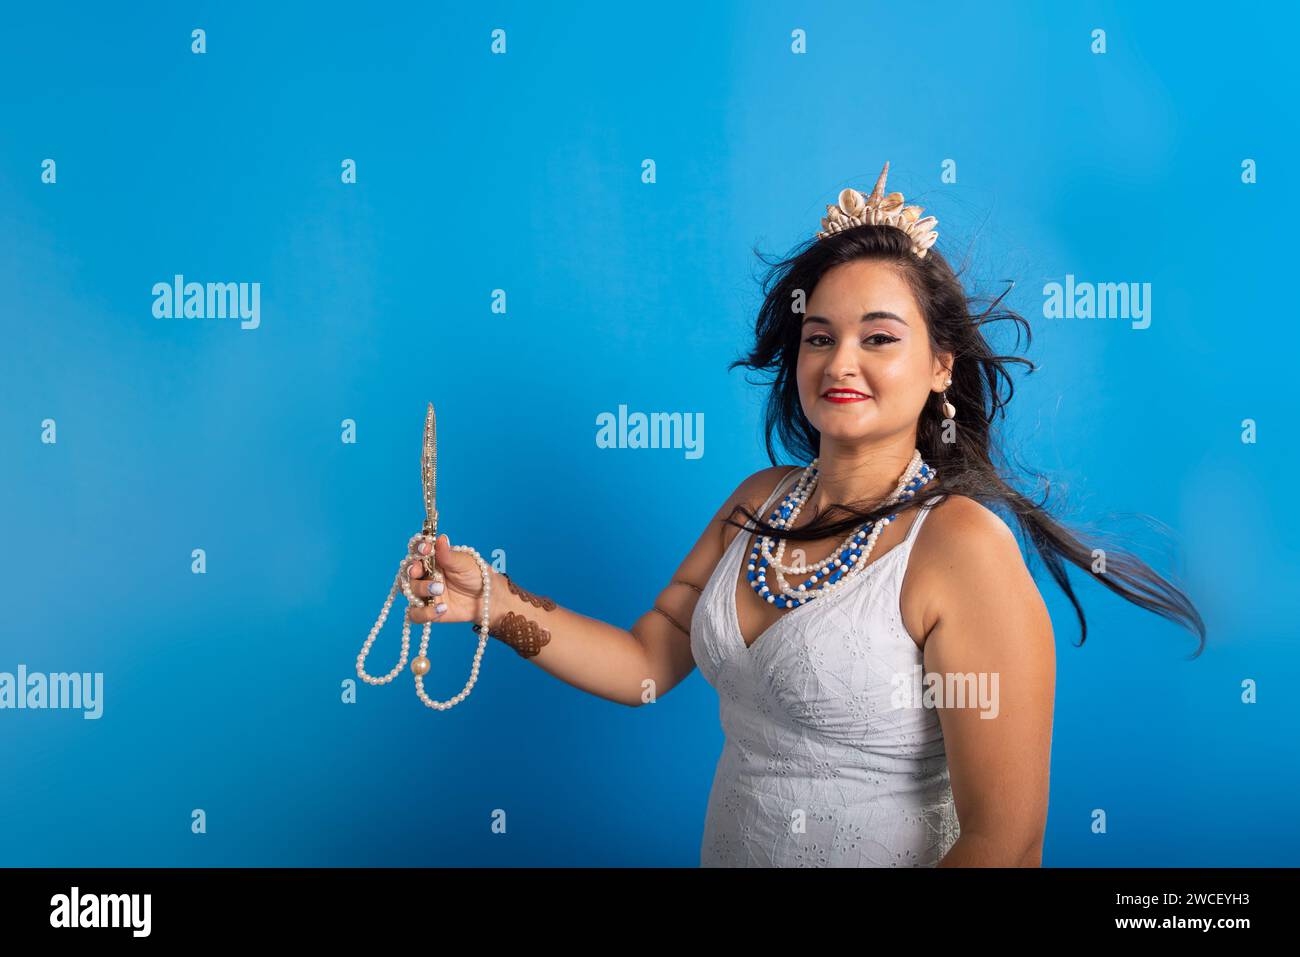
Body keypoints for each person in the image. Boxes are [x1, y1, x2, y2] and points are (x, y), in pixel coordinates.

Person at [402, 163, 1205, 867]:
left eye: (878, 337)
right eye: (819, 336)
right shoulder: (758, 501)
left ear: (939, 366)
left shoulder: (959, 546)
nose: (840, 360)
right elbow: (647, 662)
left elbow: (1006, 842)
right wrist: (494, 605)